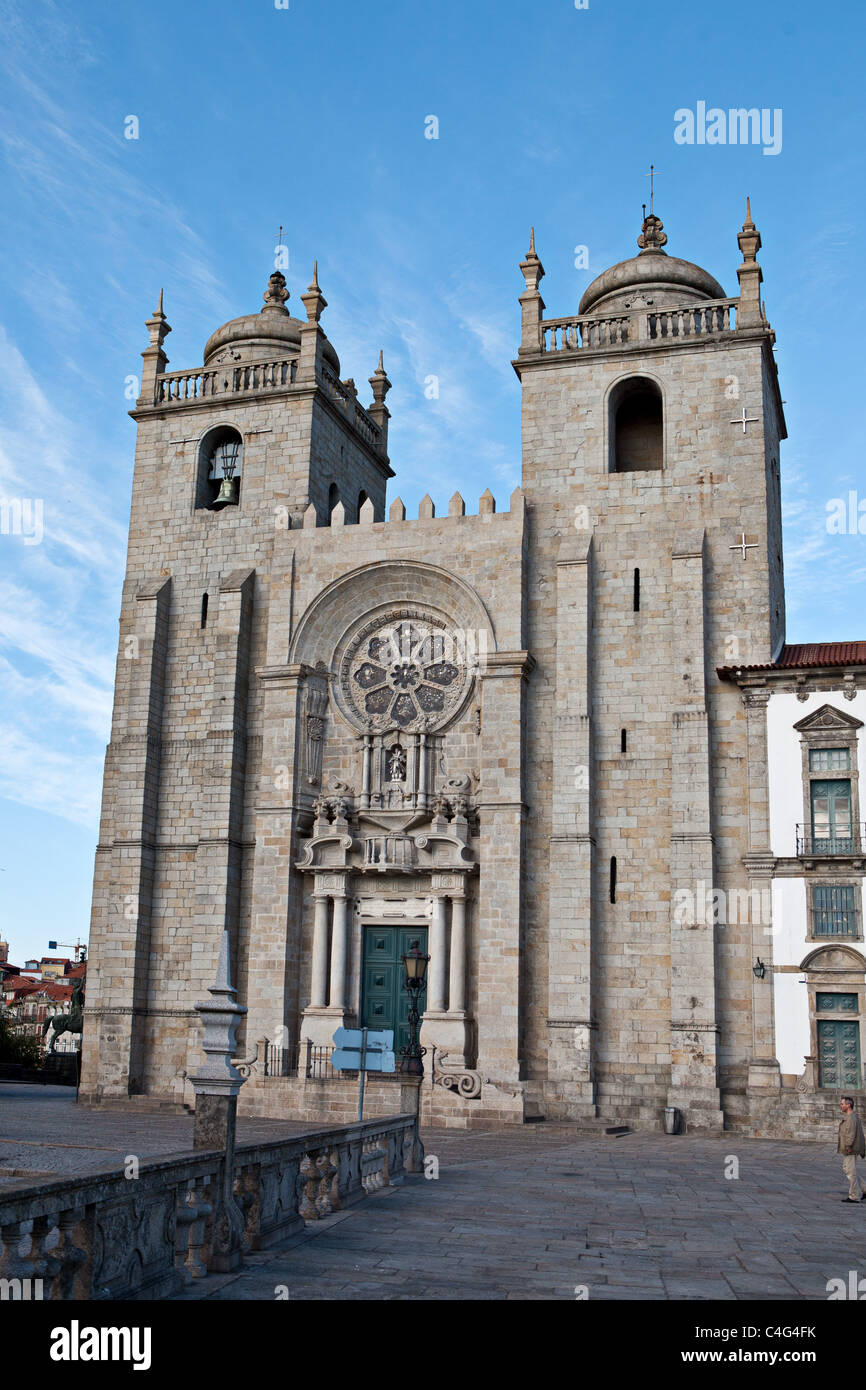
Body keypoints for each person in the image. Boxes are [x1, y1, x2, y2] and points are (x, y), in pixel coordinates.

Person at [837, 1096, 866, 1202]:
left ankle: (854, 1196)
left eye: (842, 1104)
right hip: (851, 1148)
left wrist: (848, 1146)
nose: (841, 1106)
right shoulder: (852, 1117)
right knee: (849, 1169)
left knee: (850, 1171)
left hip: (850, 1148)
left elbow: (851, 1134)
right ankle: (864, 1189)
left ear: (848, 1105)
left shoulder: (851, 1118)